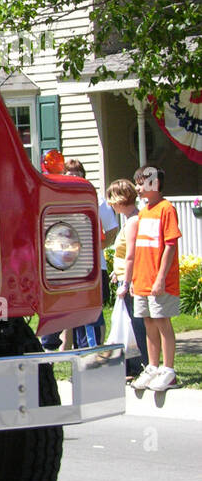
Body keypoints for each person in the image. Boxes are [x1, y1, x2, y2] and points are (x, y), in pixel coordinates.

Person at [125, 165, 181, 392]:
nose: (137, 188)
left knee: (162, 321)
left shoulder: (166, 209)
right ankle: (153, 365)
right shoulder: (144, 212)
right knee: (147, 322)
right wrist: (133, 280)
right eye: (137, 183)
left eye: (142, 183)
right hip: (142, 280)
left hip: (160, 282)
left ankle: (169, 370)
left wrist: (160, 278)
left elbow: (170, 246)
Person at [62, 159, 119, 348]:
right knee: (73, 312)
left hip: (94, 267)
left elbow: (111, 231)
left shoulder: (97, 200)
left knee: (94, 311)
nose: (74, 178)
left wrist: (93, 249)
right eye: (70, 174)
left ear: (84, 177)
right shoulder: (58, 199)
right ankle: (77, 351)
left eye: (78, 174)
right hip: (68, 268)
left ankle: (95, 350)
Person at [107, 178, 148, 378]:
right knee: (129, 323)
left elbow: (132, 254)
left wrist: (127, 282)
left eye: (112, 200)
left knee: (135, 324)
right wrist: (118, 271)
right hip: (123, 275)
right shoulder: (129, 219)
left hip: (130, 280)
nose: (111, 205)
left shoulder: (133, 221)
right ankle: (133, 364)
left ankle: (140, 363)